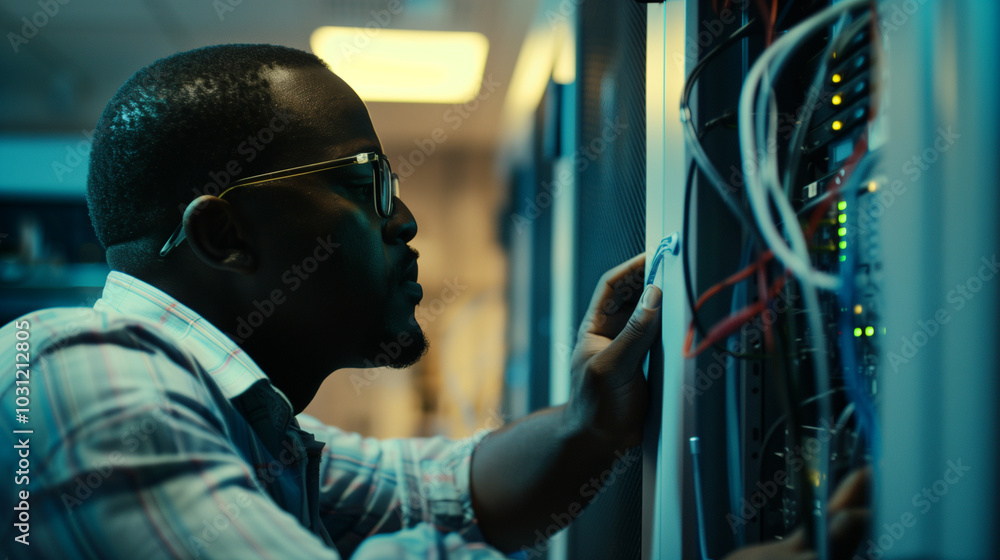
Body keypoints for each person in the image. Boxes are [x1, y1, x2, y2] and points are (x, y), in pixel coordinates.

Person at [1, 44, 866, 559]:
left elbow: (444, 489)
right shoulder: (78, 378)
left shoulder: (253, 434)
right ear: (225, 235)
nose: (406, 219)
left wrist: (591, 420)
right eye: (367, 184)